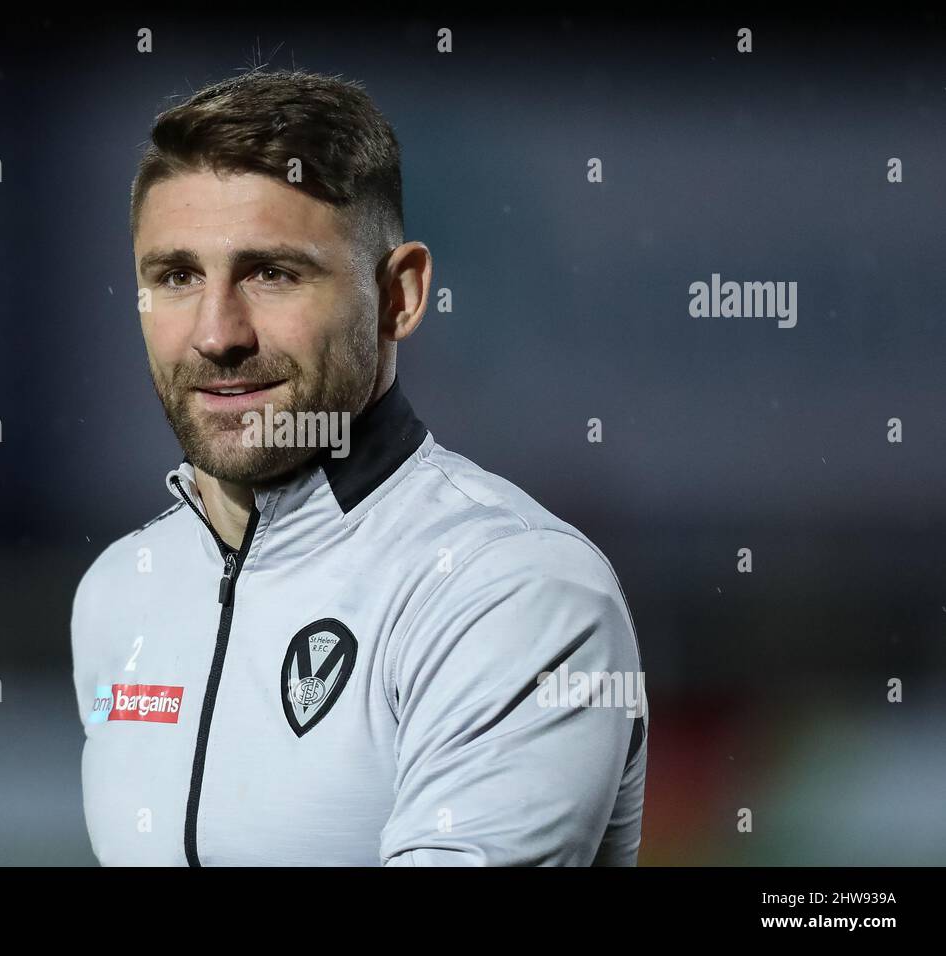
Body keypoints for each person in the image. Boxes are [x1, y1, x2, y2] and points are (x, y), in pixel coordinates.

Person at [70, 68, 647, 865]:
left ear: (400, 296)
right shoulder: (119, 591)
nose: (216, 333)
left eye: (272, 273)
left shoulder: (512, 590)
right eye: (176, 277)